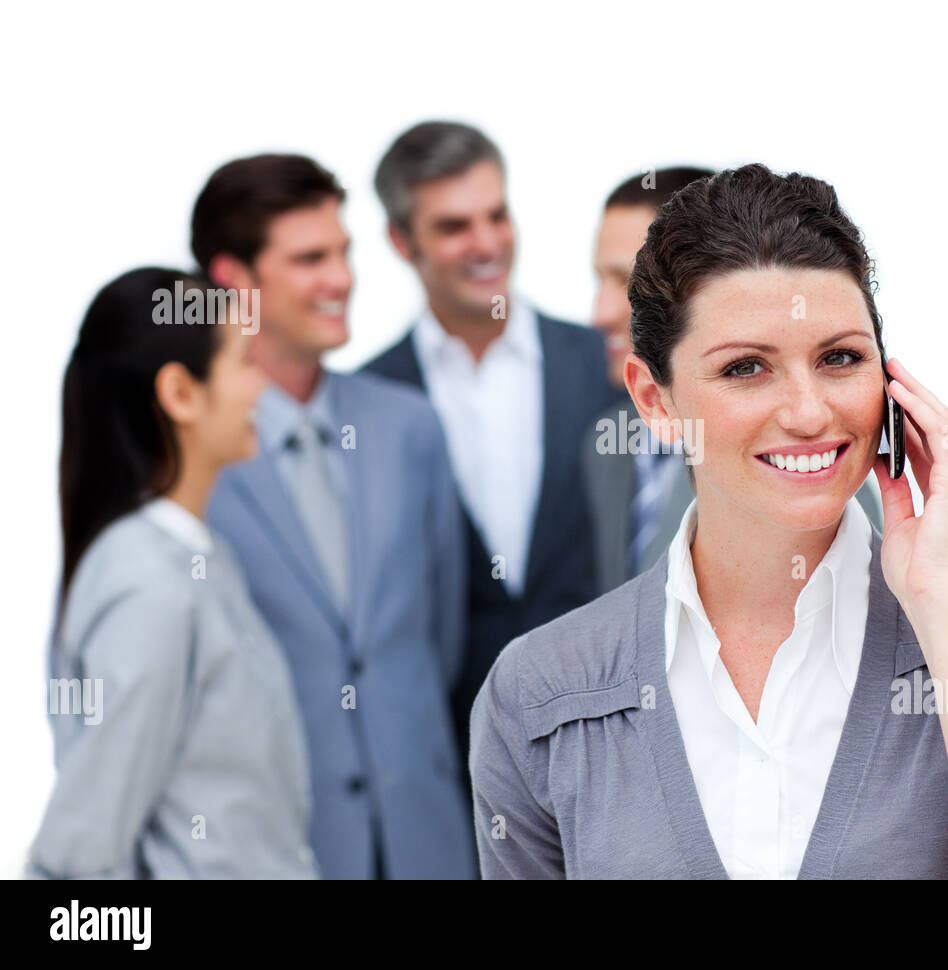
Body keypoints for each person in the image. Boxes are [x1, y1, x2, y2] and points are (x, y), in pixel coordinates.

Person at [469, 164, 948, 879]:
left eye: (840, 358)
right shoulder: (540, 695)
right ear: (655, 400)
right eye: (745, 369)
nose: (808, 412)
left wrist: (944, 614)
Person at [197, 154, 474, 879]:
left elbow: (438, 638)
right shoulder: (193, 457)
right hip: (280, 848)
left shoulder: (408, 426)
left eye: (344, 253)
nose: (342, 279)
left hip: (430, 843)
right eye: (310, 258)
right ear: (236, 280)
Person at [28, 267, 318, 879]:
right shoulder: (148, 584)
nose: (260, 389)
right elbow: (78, 858)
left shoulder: (198, 555)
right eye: (244, 362)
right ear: (181, 394)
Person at [363, 122, 621, 777]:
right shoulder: (369, 400)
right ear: (402, 241)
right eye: (453, 226)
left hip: (611, 742)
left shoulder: (605, 365)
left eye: (497, 216)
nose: (486, 244)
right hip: (448, 763)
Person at [582, 167, 885, 595]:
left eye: (627, 283)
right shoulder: (605, 444)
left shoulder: (822, 480)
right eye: (745, 367)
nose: (601, 312)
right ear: (653, 398)